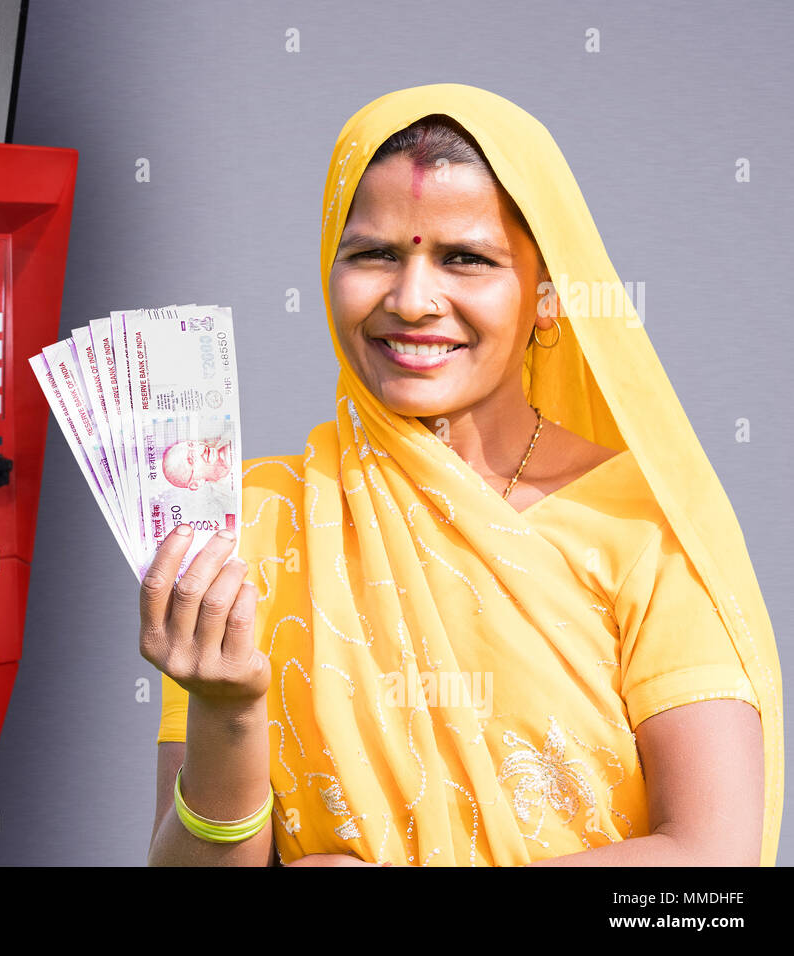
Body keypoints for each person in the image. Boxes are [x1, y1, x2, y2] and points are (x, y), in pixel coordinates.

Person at [140, 83, 783, 866]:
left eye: (466, 259)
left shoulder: (644, 531)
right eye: (374, 253)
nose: (412, 301)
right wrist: (229, 713)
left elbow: (710, 870)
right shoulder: (253, 522)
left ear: (547, 293)